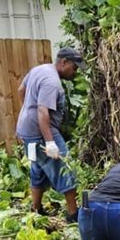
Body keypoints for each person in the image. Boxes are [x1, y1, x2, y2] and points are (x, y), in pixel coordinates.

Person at [16, 46, 84, 222]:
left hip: (27, 132)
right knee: (65, 168)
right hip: (42, 132)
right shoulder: (52, 82)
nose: (75, 72)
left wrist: (26, 112)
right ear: (64, 62)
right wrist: (50, 142)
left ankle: (36, 210)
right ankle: (73, 214)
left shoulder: (40, 69)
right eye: (74, 67)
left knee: (38, 168)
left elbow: (20, 90)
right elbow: (42, 111)